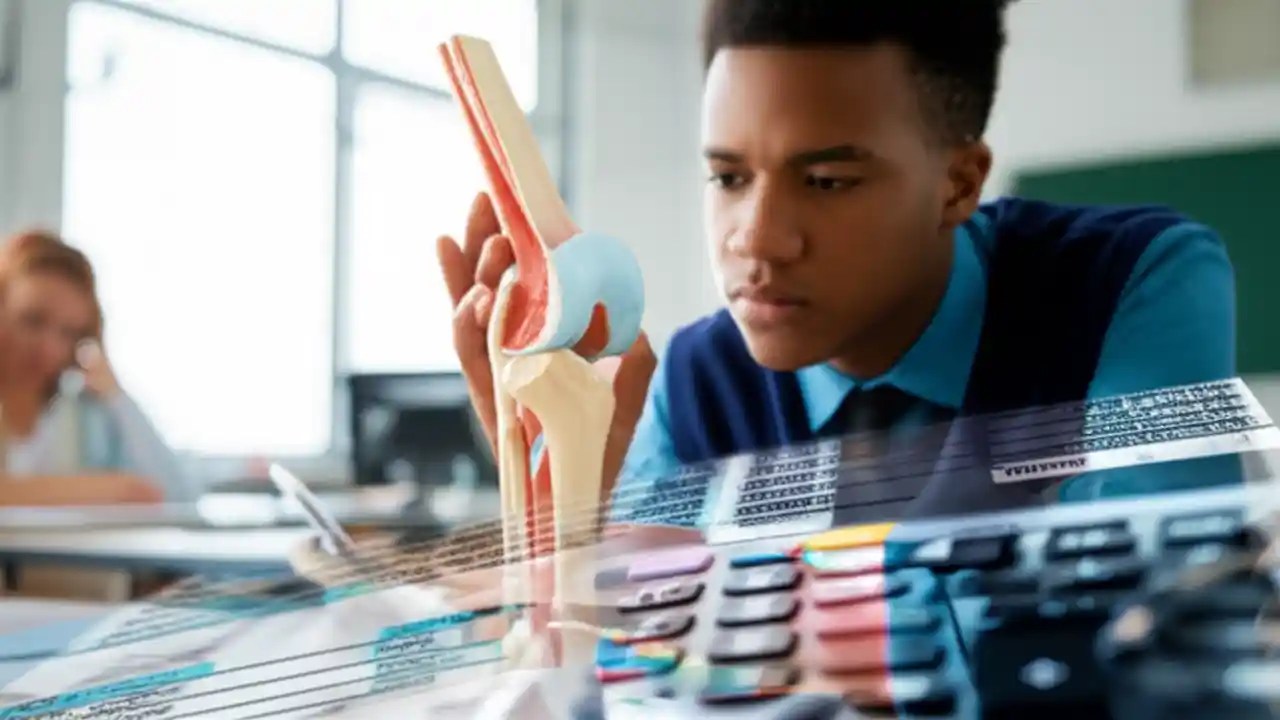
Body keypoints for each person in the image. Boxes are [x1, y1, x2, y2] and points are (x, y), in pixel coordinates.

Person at [440, 0, 1239, 527]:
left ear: (959, 182)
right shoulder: (697, 379)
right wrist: (561, 514)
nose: (755, 240)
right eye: (727, 177)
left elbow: (1153, 595)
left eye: (825, 182)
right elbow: (645, 645)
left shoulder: (1135, 281)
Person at [0, 230, 193, 506]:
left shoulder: (84, 417)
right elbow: (134, 492)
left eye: (69, 333)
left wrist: (115, 395)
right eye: (32, 320)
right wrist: (115, 489)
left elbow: (175, 495)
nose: (49, 349)